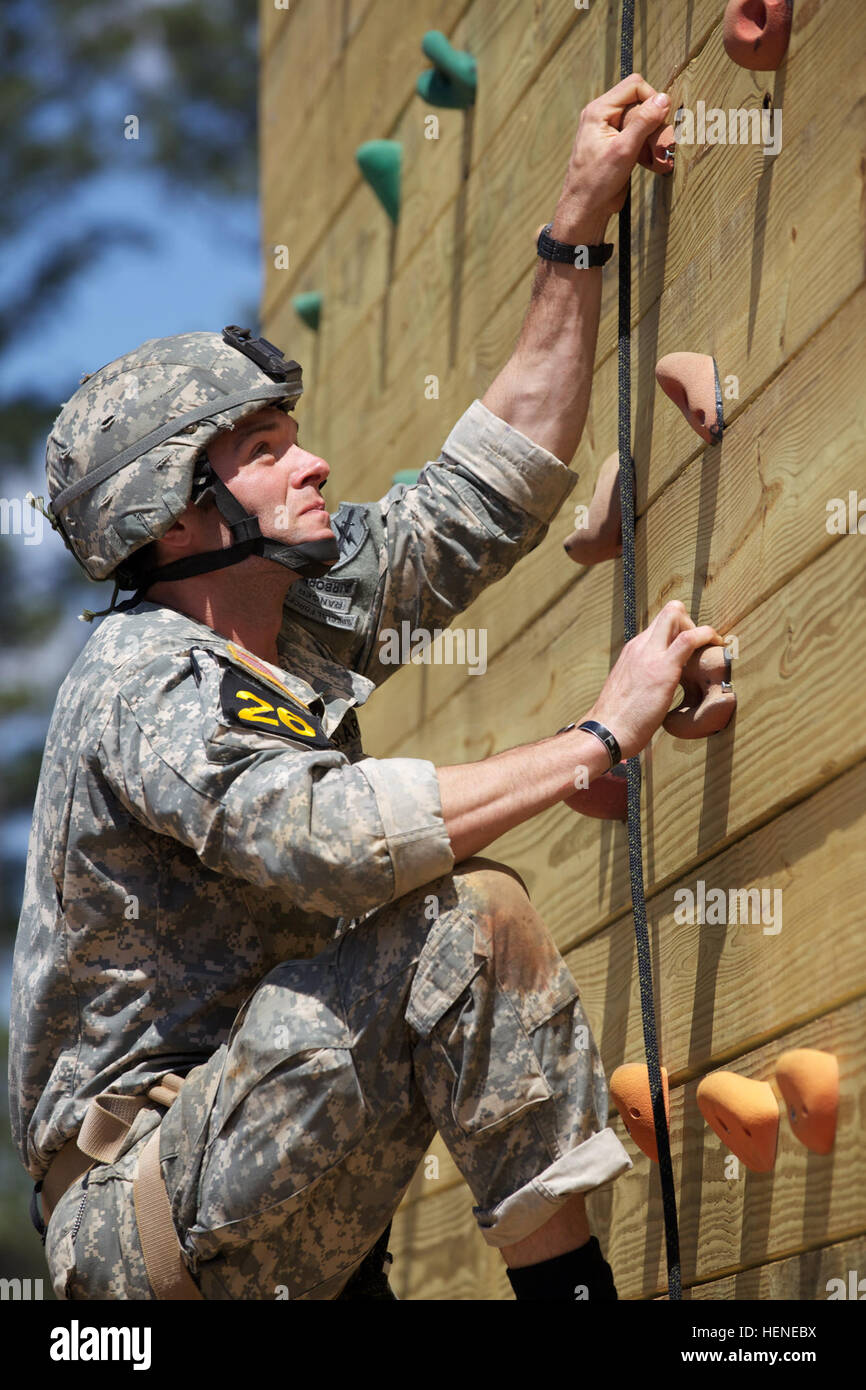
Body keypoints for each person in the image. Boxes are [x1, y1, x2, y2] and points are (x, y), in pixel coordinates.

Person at [9, 74, 720, 1301]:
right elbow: (328, 839)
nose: (312, 458)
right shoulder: (139, 678)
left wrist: (576, 221)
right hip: (134, 1238)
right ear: (176, 518)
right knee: (461, 921)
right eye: (265, 450)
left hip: (256, 1189)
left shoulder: (294, 609)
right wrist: (598, 735)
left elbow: (486, 489)